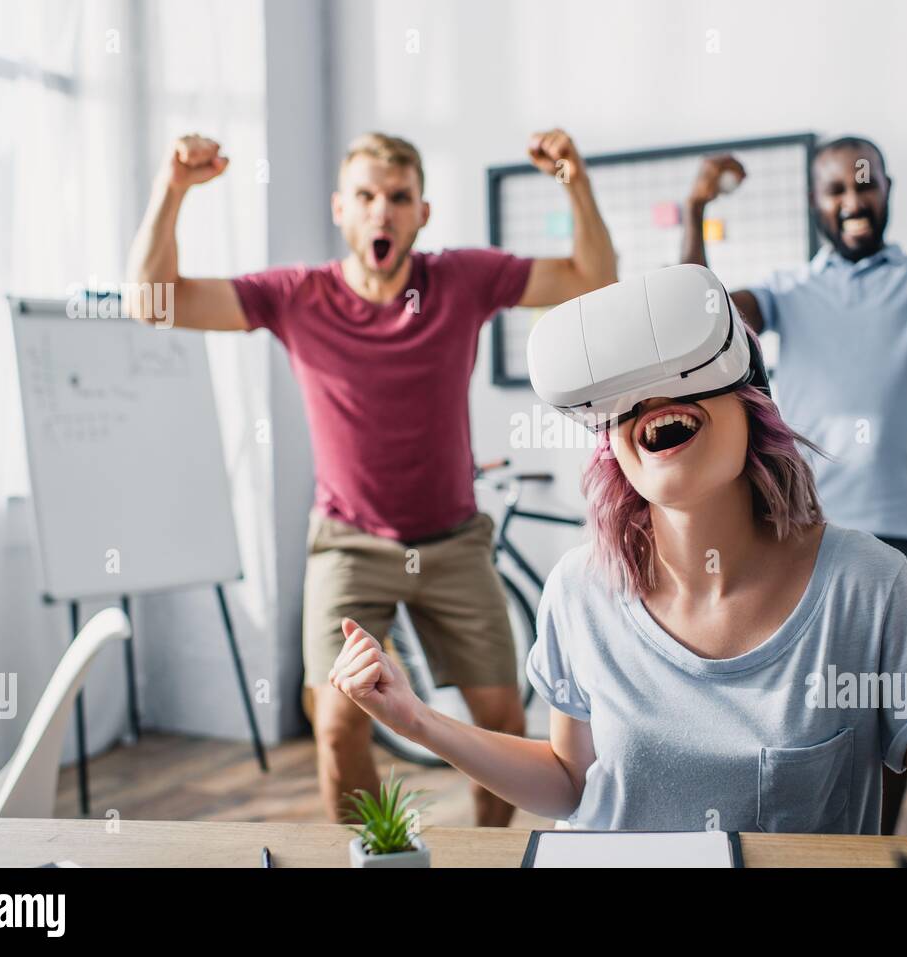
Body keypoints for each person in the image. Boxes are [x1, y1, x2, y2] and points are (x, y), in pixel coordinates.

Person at [327, 280, 907, 837]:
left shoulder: (867, 587)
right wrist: (418, 718)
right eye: (621, 399)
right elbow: (571, 782)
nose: (648, 402)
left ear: (751, 404)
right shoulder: (579, 589)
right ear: (613, 448)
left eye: (682, 375)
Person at [126, 128, 617, 824]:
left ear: (423, 212)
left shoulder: (462, 280)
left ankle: (483, 856)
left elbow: (591, 277)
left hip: (453, 541)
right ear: (341, 210)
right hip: (349, 543)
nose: (381, 211)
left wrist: (575, 181)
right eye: (365, 196)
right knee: (334, 721)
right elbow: (152, 302)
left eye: (398, 197)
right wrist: (171, 189)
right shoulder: (296, 295)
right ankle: (372, 856)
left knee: (503, 719)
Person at [680, 126, 907, 832]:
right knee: (811, 707)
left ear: (886, 191)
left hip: (904, 537)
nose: (853, 199)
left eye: (864, 183)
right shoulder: (788, 290)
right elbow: (699, 316)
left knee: (891, 715)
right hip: (799, 534)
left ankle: (870, 840)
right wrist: (694, 209)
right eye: (836, 188)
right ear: (816, 203)